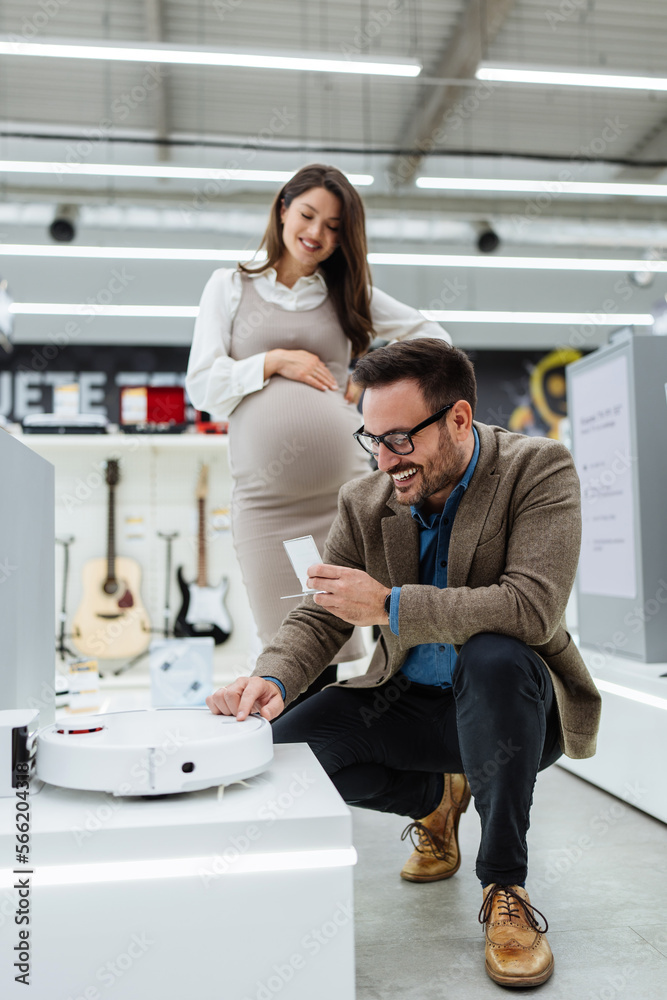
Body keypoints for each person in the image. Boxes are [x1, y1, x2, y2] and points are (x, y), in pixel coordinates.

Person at [205, 338, 602, 989]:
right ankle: (434, 798)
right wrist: (271, 677)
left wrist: (390, 605)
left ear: (458, 419)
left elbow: (531, 608)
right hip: (406, 701)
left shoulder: (538, 469)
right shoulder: (364, 500)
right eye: (371, 439)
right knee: (281, 756)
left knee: (495, 654)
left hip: (515, 711)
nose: (384, 459)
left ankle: (505, 887)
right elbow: (324, 614)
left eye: (398, 439)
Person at [186, 164, 448, 696]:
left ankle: (345, 742)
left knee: (345, 631)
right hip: (266, 503)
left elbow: (433, 337)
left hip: (343, 499)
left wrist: (371, 377)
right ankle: (293, 744)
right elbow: (202, 387)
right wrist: (273, 361)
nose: (317, 234)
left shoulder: (347, 291)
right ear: (283, 209)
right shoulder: (230, 286)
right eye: (308, 215)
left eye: (333, 227)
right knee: (284, 642)